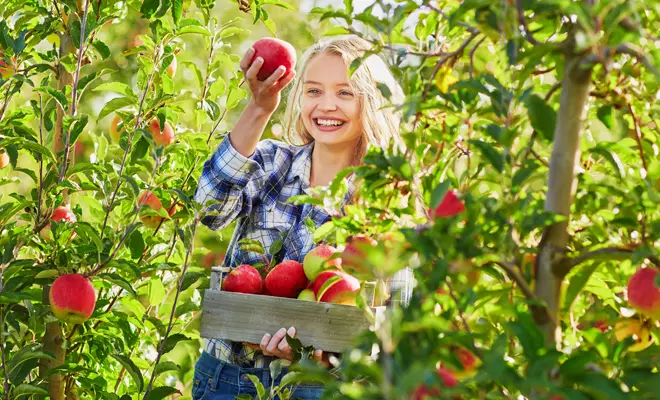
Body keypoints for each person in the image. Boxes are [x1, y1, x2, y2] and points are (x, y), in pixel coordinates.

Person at [191, 35, 413, 400]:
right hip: (229, 382)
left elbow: (399, 319)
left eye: (345, 93)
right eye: (313, 91)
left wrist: (332, 356)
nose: (326, 106)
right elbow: (209, 209)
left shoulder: (384, 198)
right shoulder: (270, 163)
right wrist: (260, 108)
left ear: (370, 103)